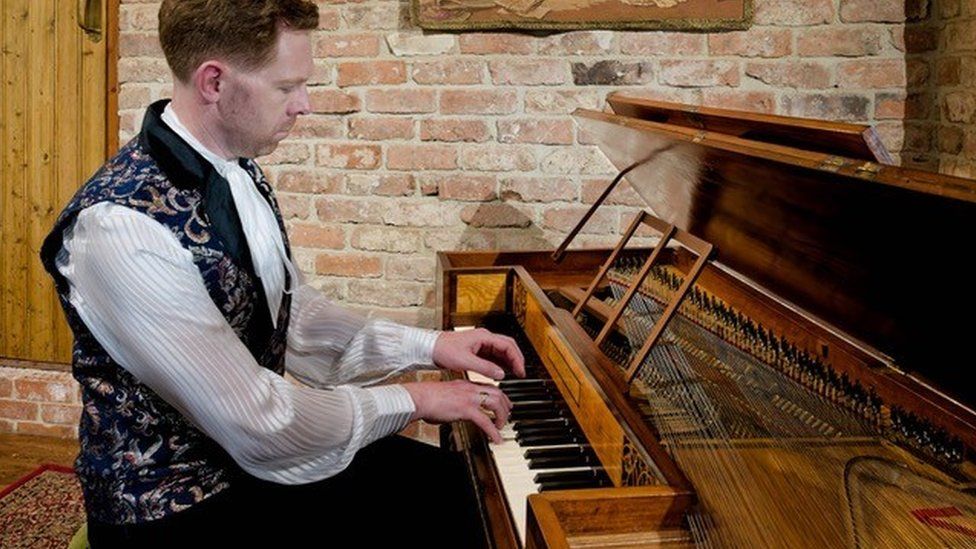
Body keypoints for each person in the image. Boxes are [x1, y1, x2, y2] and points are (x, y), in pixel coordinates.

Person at [39, 1, 524, 547]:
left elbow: (293, 316)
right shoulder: (118, 229)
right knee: (452, 514)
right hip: (174, 508)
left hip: (244, 469)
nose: (305, 106)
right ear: (215, 82)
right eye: (286, 87)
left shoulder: (239, 167)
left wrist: (431, 347)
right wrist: (413, 400)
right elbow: (258, 422)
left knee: (461, 491)